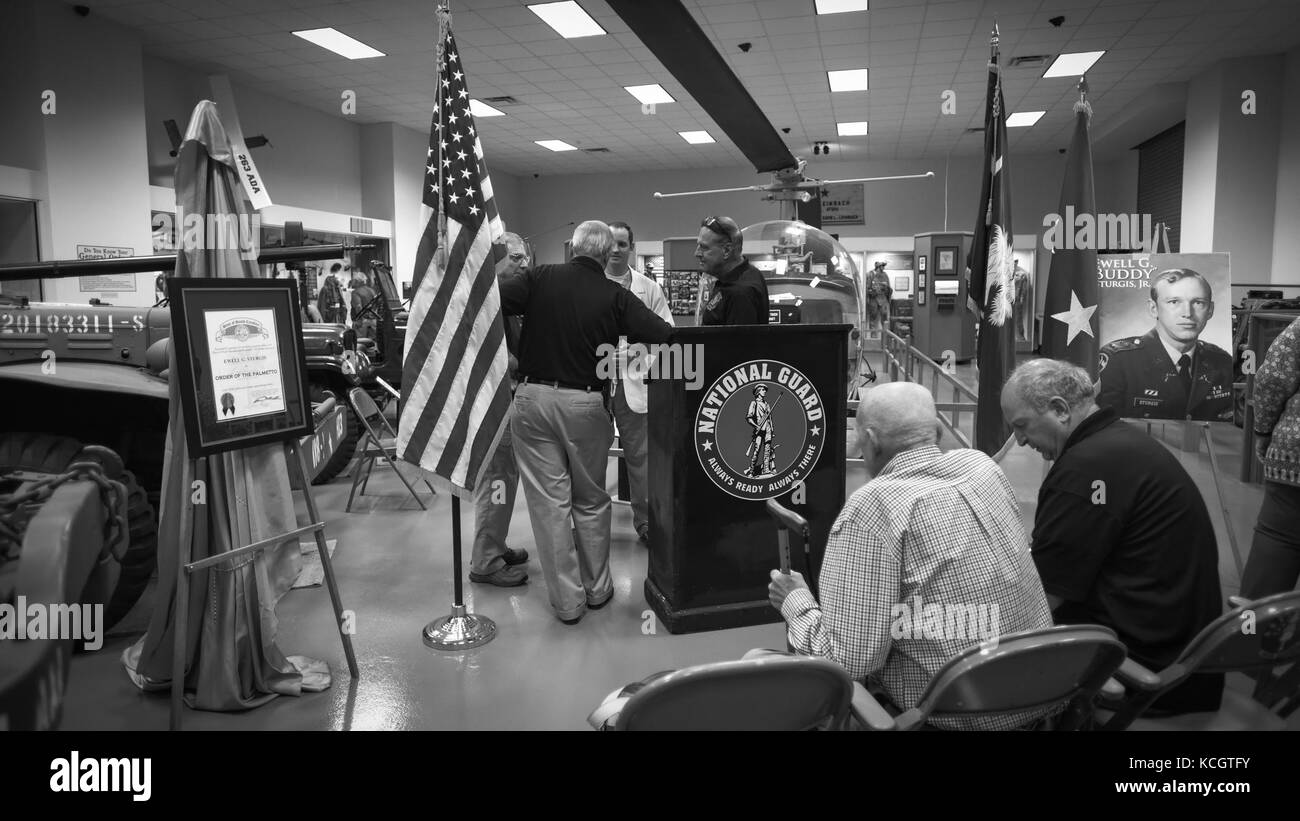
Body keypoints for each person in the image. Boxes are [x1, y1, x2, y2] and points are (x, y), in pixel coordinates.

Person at [765, 382, 1056, 730]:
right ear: (937, 432)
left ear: (871, 441)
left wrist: (795, 601)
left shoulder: (873, 507)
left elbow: (846, 662)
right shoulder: (983, 467)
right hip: (1043, 694)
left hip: (958, 717)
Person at [1001, 358, 1224, 714]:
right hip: (1184, 659)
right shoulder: (1122, 442)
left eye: (1022, 426)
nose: (1021, 440)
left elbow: (1041, 598)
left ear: (1060, 410)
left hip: (1142, 674)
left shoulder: (1084, 469)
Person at [499, 221, 674, 624]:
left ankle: (567, 603)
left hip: (532, 400)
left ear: (572, 248)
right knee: (592, 499)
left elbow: (488, 301)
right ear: (606, 253)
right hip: (587, 404)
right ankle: (598, 589)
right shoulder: (616, 295)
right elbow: (664, 334)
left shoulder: (539, 278)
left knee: (549, 505)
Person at [468, 232, 532, 587]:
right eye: (516, 258)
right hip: (494, 405)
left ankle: (495, 544)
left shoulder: (506, 299)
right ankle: (486, 561)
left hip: (510, 398)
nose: (524, 264)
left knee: (505, 480)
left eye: (525, 257)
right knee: (496, 480)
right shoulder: (484, 305)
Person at [604, 221, 674, 547]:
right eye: (611, 243)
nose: (616, 249)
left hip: (634, 384)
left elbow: (666, 333)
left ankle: (646, 522)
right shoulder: (590, 284)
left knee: (641, 459)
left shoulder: (649, 288)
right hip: (594, 384)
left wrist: (636, 351)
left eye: (622, 244)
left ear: (632, 248)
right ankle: (590, 526)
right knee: (589, 459)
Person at [1097, 267, 1233, 421]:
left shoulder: (1222, 362)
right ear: (1153, 309)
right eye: (1174, 302)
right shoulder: (1119, 361)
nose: (1187, 313)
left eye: (1198, 303)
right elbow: (1105, 428)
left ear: (1210, 310)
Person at [1241, 316, 1300, 598]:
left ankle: (1253, 622)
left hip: (1293, 459)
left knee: (1277, 544)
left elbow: (1272, 378)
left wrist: (1263, 431)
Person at [695, 215, 769, 326]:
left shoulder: (741, 294)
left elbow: (739, 337)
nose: (697, 253)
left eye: (704, 247)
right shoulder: (741, 275)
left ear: (726, 250)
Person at [745, 384, 774, 478]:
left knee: (767, 450)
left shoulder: (767, 404)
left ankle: (766, 469)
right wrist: (756, 426)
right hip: (759, 429)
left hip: (768, 429)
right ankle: (751, 471)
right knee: (756, 450)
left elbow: (769, 418)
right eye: (763, 390)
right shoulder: (754, 403)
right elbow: (749, 418)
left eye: (765, 390)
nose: (764, 391)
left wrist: (772, 429)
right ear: (758, 392)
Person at [865, 261, 893, 334]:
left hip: (883, 298)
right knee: (873, 316)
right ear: (878, 267)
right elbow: (867, 288)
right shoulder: (870, 274)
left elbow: (888, 287)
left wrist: (886, 288)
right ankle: (873, 335)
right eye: (882, 266)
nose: (883, 268)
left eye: (883, 266)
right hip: (873, 298)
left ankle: (885, 335)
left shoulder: (885, 275)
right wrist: (871, 292)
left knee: (884, 317)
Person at [350, 274, 378, 341]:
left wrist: (360, 320)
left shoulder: (355, 292)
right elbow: (376, 305)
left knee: (360, 343)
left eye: (354, 280)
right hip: (373, 321)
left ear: (357, 281)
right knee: (372, 343)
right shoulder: (372, 291)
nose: (353, 282)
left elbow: (358, 307)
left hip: (362, 322)